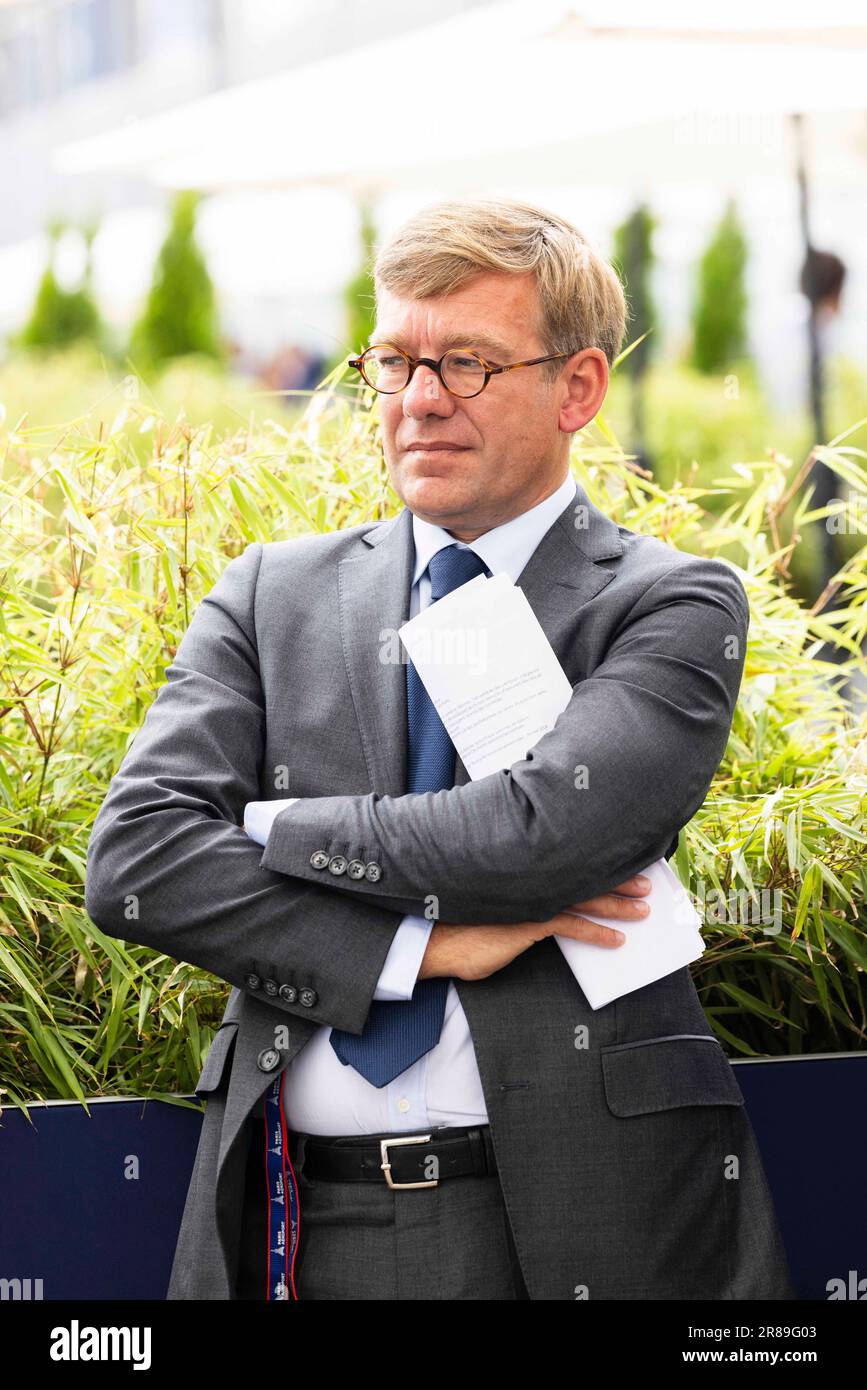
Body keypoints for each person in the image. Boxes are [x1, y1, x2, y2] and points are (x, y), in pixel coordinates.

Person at [84, 196, 795, 1301]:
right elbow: (135, 864)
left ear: (580, 387)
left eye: (466, 363)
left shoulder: (669, 603)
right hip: (292, 1220)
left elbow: (540, 833)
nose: (420, 401)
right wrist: (413, 952)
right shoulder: (274, 594)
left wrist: (268, 826)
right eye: (394, 362)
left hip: (579, 1219)